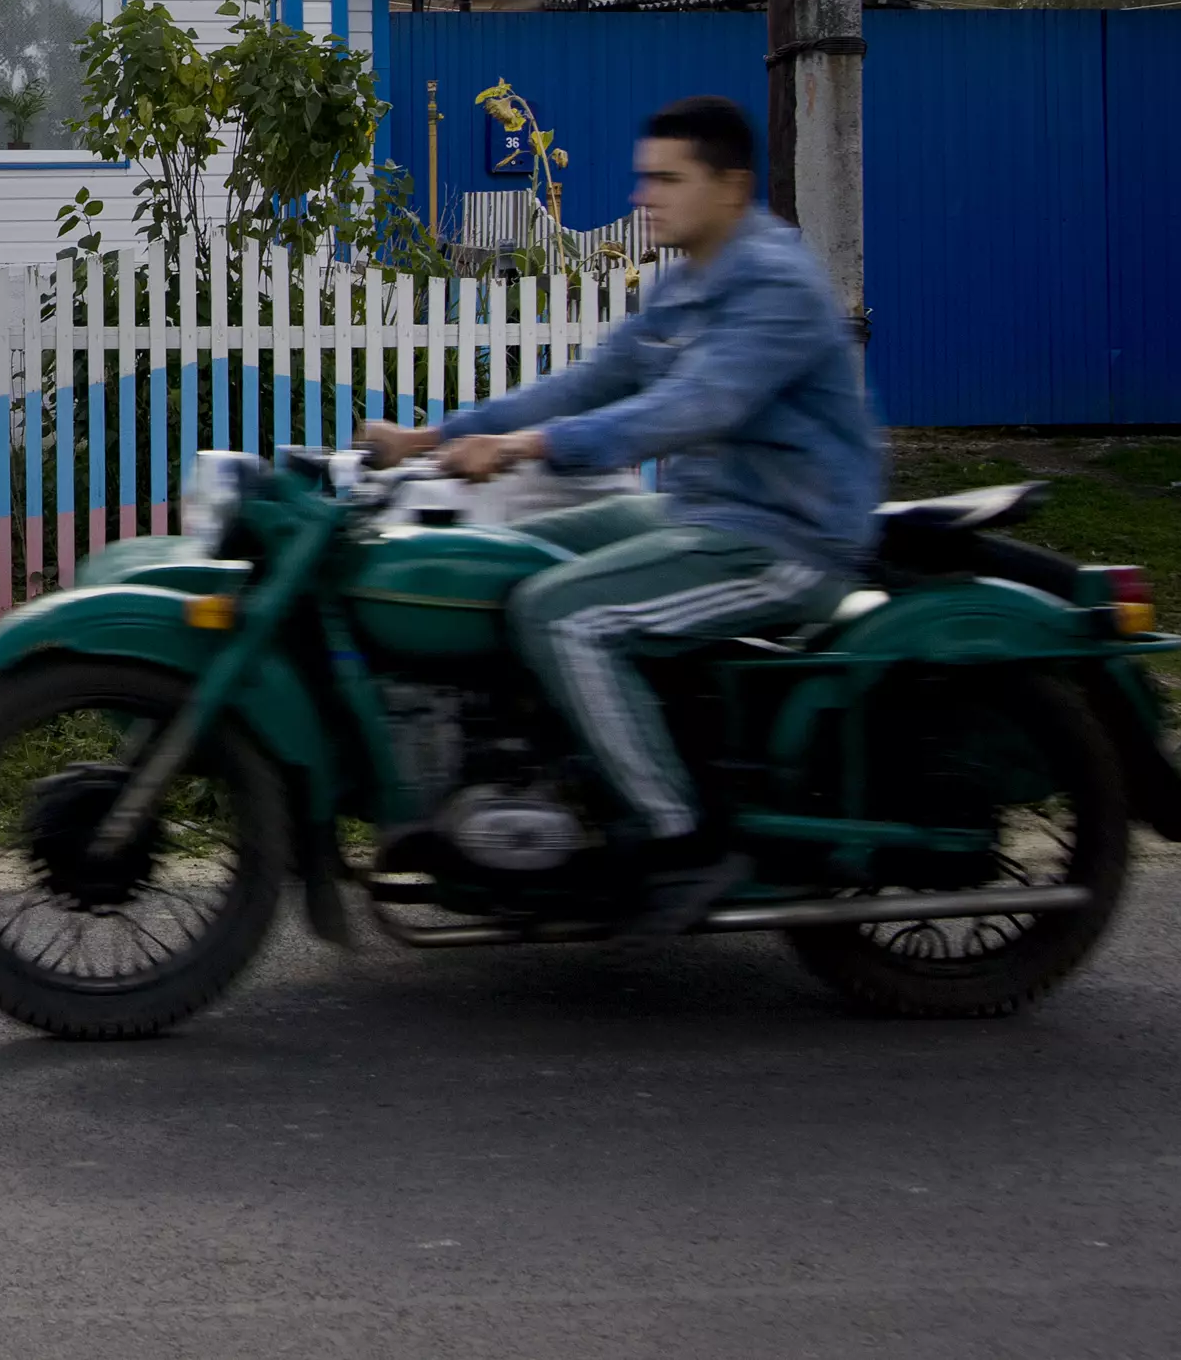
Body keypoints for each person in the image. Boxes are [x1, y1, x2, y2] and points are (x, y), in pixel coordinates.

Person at [358, 94, 883, 932]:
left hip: (785, 539)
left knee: (561, 616)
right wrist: (435, 436)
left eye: (667, 180)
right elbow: (591, 382)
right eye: (646, 179)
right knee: (514, 563)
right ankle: (555, 786)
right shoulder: (685, 281)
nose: (644, 198)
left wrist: (531, 448)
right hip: (701, 516)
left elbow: (690, 408)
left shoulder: (773, 284)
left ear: (731, 187)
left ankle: (677, 836)